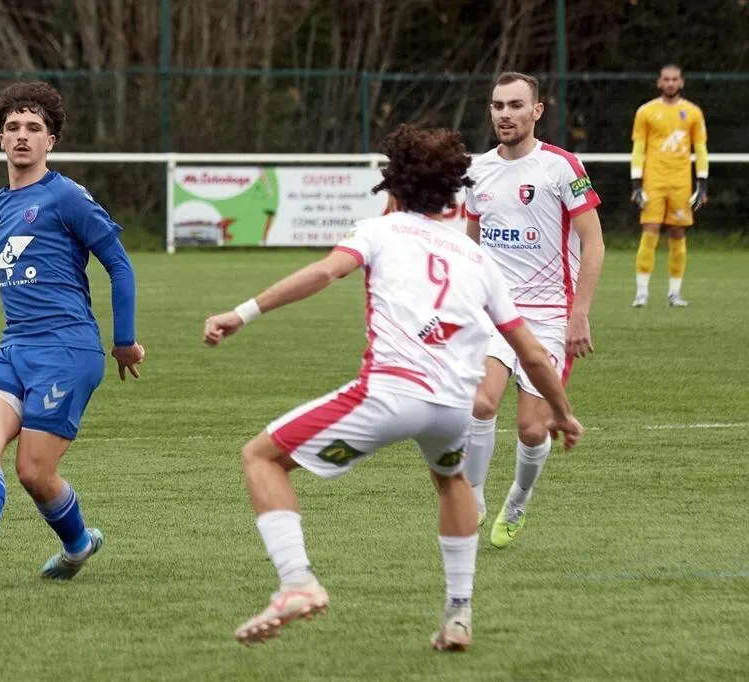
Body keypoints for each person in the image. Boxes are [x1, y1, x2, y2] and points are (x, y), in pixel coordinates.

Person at [203, 125, 584, 650]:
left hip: (389, 396)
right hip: (453, 408)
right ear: (452, 189)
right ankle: (458, 613)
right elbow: (533, 353)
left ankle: (297, 583)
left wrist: (242, 313)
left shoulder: (378, 231)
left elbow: (323, 273)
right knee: (451, 482)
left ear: (393, 185)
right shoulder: (477, 259)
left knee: (260, 458)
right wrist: (562, 411)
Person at [0, 82, 144, 585]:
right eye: (13, 128)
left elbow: (119, 266)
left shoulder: (67, 197)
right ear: (1, 140)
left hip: (68, 349)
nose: (22, 137)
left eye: (34, 128)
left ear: (52, 142)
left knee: (33, 472)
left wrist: (124, 341)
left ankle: (78, 544)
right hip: (14, 347)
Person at [462, 72, 604, 549]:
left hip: (549, 314)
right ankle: (474, 498)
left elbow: (594, 241)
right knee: (480, 403)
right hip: (495, 312)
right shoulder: (477, 170)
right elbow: (473, 244)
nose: (505, 113)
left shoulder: (562, 167)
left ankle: (518, 500)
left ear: (536, 111)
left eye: (516, 105)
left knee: (530, 426)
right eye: (498, 105)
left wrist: (579, 314)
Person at [630, 64, 709, 308]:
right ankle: (641, 292)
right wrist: (636, 183)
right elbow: (639, 149)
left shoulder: (693, 112)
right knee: (649, 231)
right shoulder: (646, 111)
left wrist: (702, 185)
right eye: (666, 79)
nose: (671, 83)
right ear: (659, 82)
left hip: (681, 183)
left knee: (677, 233)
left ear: (681, 82)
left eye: (675, 79)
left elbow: (701, 149)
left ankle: (675, 293)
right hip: (654, 181)